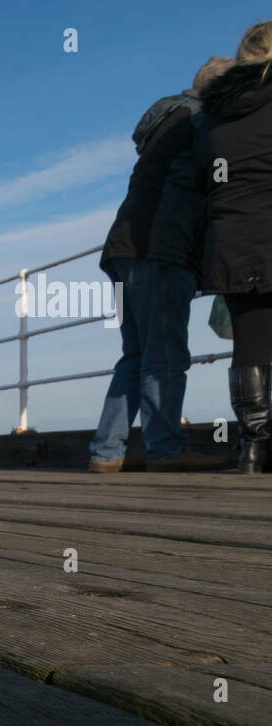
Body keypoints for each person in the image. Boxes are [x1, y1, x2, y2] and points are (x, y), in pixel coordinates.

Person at [89, 59, 233, 473]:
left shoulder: (167, 119)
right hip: (159, 251)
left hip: (122, 249)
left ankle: (107, 452)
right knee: (165, 353)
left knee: (135, 354)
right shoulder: (201, 122)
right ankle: (166, 448)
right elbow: (197, 189)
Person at [194, 22, 272, 473]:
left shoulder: (213, 116)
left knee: (251, 342)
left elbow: (207, 176)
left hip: (232, 239)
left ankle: (253, 447)